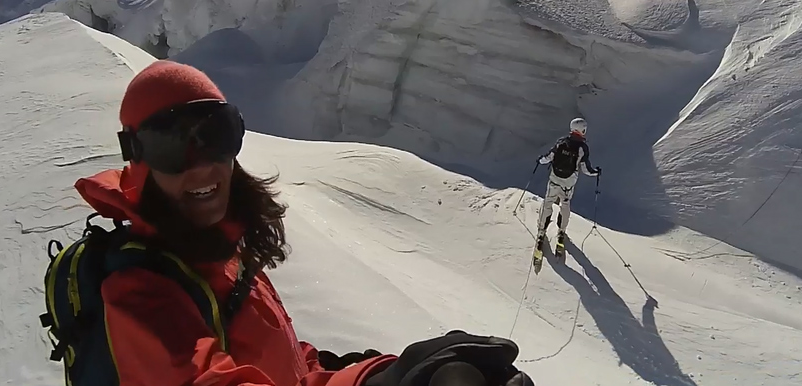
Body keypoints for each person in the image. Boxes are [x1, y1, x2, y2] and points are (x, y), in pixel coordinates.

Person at [68, 60, 533, 386]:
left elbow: (287, 369)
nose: (202, 167)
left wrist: (386, 375)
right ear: (139, 159)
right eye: (172, 147)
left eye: (215, 136)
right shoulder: (139, 295)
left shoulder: (225, 258)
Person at [534, 117, 600, 256]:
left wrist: (540, 160)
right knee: (565, 205)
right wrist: (596, 173)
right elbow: (586, 169)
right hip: (568, 184)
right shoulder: (582, 148)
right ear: (582, 130)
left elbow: (548, 157)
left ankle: (541, 232)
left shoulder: (561, 142)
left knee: (548, 203)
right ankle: (561, 232)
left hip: (554, 179)